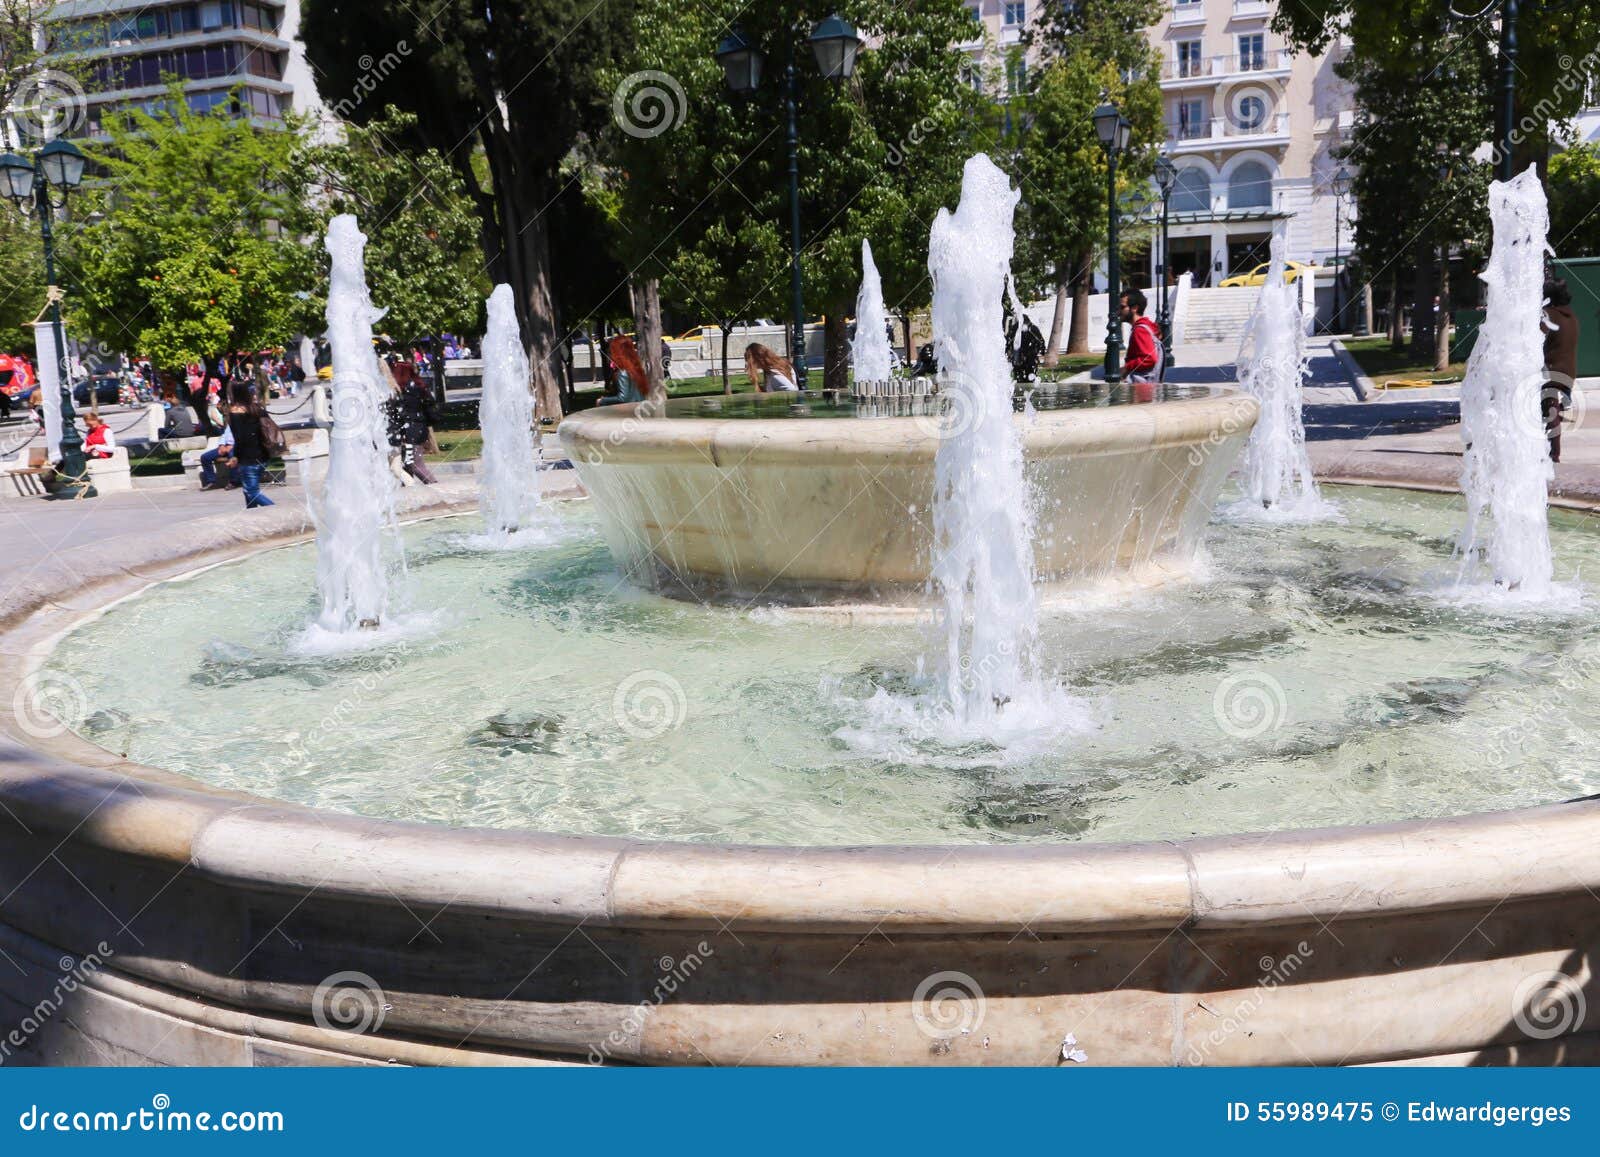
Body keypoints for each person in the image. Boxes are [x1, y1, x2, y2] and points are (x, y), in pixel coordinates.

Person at [1543, 276, 1579, 465]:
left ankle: (1553, 456)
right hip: (1568, 373)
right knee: (1551, 411)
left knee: (1550, 413)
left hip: (1551, 372)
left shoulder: (1548, 315)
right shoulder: (1571, 316)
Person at [385, 360, 440, 484]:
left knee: (414, 464)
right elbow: (430, 406)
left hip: (408, 432)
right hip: (419, 428)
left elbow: (397, 413)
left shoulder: (399, 391)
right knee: (409, 464)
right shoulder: (420, 386)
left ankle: (435, 488)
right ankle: (411, 494)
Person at [223, 384, 274, 508]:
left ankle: (277, 510)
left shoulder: (235, 412)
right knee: (248, 491)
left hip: (248, 458)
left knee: (251, 492)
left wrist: (235, 456)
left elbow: (240, 438)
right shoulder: (257, 409)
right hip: (263, 455)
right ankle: (252, 516)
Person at [1121, 288, 1163, 385]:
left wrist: (1127, 367)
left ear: (1134, 308)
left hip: (1142, 387)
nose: (1119, 311)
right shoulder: (1147, 327)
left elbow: (1149, 358)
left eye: (1122, 307)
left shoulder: (1140, 330)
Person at [598, 335, 650, 405]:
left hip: (629, 412)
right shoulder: (636, 368)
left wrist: (602, 401)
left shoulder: (623, 372)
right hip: (641, 409)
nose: (610, 353)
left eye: (612, 350)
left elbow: (623, 398)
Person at [199, 422, 234, 489]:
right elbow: (224, 435)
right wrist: (221, 445)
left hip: (236, 446)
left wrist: (232, 446)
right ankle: (211, 481)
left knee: (232, 457)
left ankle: (233, 482)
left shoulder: (244, 422)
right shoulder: (230, 424)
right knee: (205, 457)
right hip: (225, 446)